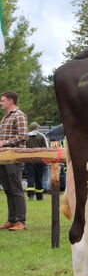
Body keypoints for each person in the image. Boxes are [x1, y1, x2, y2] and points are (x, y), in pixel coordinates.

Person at [0, 91, 29, 231]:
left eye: (3, 100)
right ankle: (12, 220)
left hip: (15, 157)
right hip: (4, 158)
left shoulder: (19, 115)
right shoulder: (5, 117)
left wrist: (4, 143)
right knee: (8, 189)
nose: (1, 103)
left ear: (10, 101)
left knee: (16, 189)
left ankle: (21, 221)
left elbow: (23, 135)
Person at [24, 122, 49, 201]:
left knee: (30, 177)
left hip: (28, 160)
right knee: (39, 178)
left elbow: (23, 148)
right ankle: (39, 196)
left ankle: (31, 195)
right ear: (37, 128)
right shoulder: (41, 136)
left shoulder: (26, 136)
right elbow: (46, 148)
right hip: (39, 160)